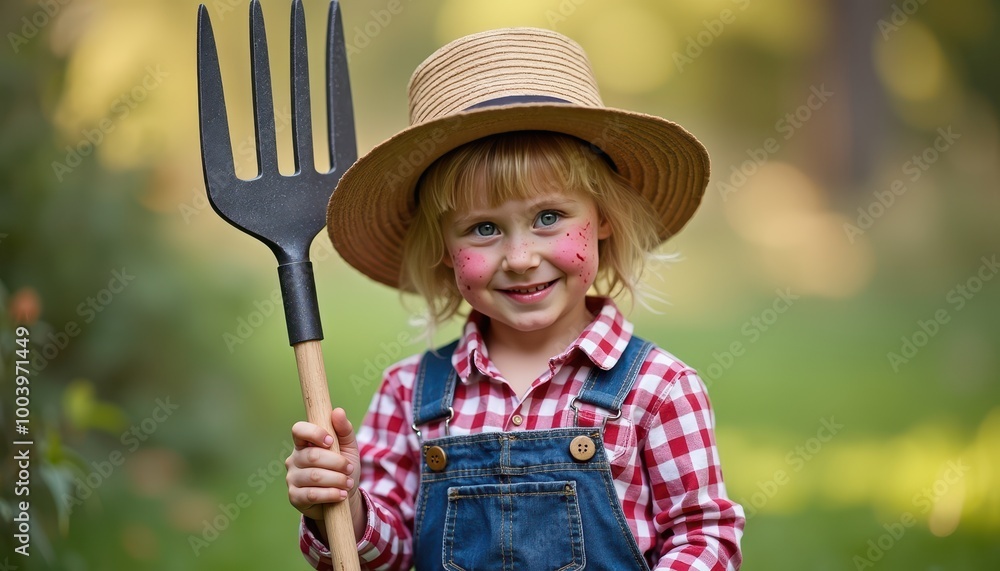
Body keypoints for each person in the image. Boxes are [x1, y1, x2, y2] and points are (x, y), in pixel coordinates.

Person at [285, 27, 744, 570]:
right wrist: (343, 509)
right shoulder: (410, 394)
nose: (521, 256)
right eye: (483, 228)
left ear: (604, 221)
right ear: (442, 250)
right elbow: (391, 556)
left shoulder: (661, 391)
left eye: (549, 218)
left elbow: (703, 539)